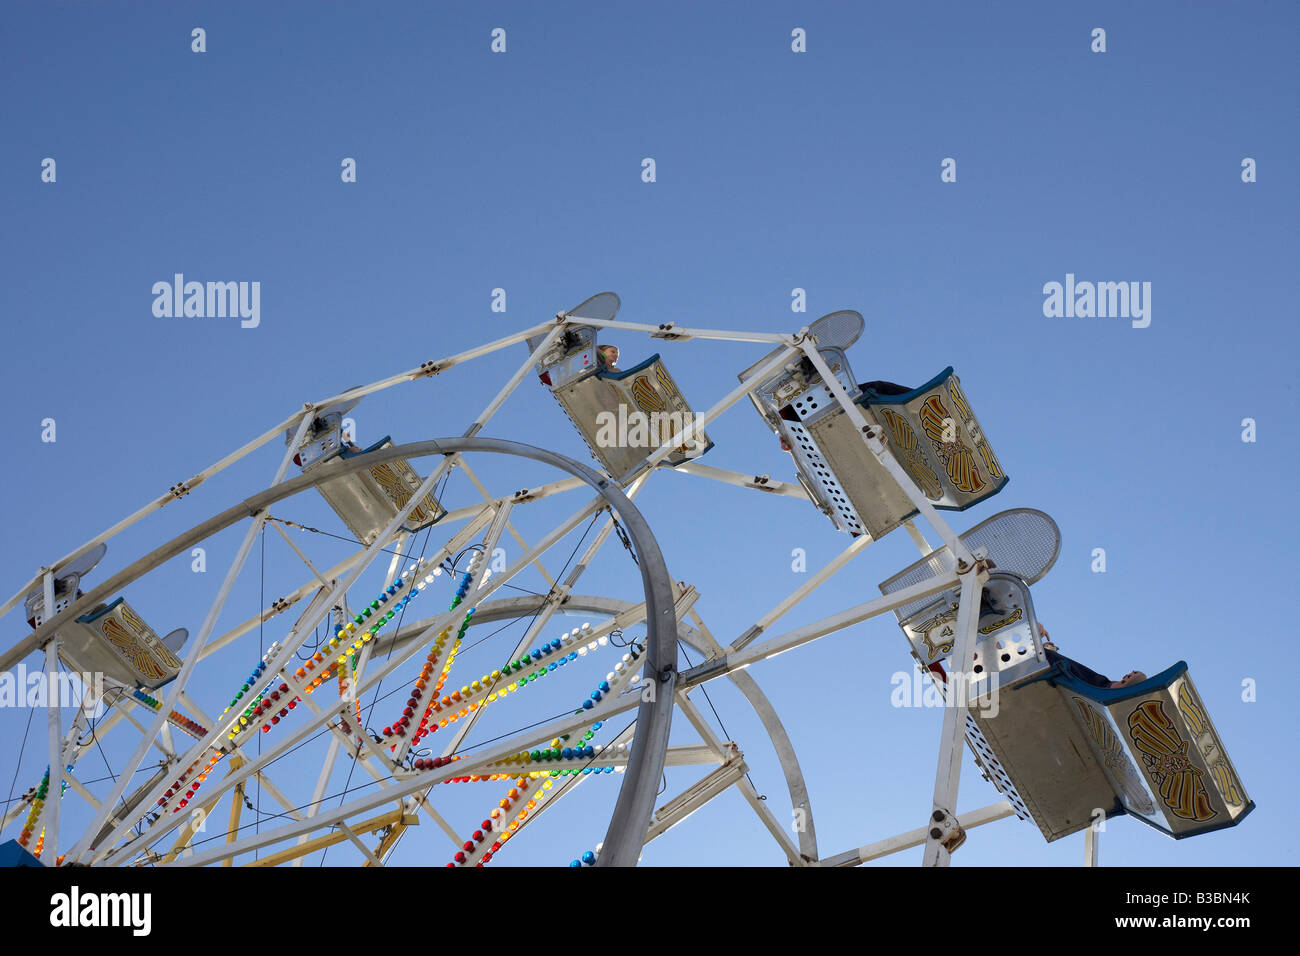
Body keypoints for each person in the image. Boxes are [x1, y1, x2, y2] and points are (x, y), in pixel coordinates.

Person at [1037, 624, 1146, 689]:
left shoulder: (1098, 684)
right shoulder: (1098, 682)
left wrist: (1042, 650)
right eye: (1130, 674)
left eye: (1130, 676)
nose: (1129, 673)